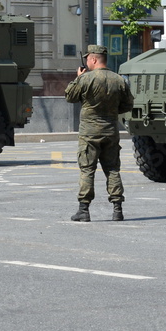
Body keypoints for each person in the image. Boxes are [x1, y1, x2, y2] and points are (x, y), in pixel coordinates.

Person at [64, 44, 133, 222]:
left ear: (93, 59)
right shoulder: (119, 80)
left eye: (88, 59)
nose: (87, 62)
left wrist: (78, 78)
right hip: (110, 131)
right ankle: (117, 208)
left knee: (87, 169)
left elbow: (69, 96)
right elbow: (127, 105)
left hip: (89, 133)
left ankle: (84, 210)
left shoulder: (86, 79)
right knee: (112, 169)